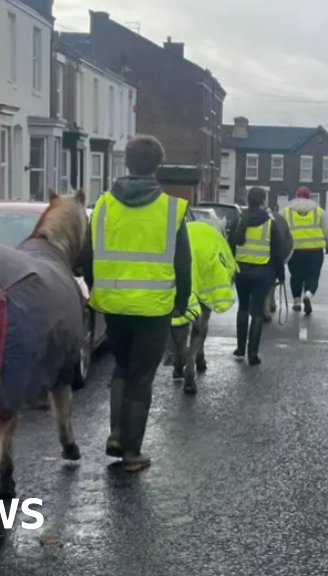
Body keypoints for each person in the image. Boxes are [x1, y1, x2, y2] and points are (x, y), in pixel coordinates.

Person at [84, 135, 191, 473]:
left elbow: (87, 255)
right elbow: (182, 263)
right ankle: (132, 452)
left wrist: (96, 288)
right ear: (158, 165)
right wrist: (181, 301)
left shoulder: (103, 205)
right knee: (142, 377)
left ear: (126, 163)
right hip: (154, 307)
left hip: (113, 304)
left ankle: (117, 434)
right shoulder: (171, 209)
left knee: (121, 366)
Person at [169, 219, 238, 394]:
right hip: (206, 283)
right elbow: (230, 264)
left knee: (182, 322)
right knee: (201, 325)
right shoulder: (216, 238)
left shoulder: (183, 233)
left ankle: (179, 362)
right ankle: (193, 361)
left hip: (184, 282)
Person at [232, 187, 289, 365]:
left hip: (242, 271)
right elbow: (278, 252)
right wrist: (281, 275)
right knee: (256, 312)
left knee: (242, 307)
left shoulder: (239, 220)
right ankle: (253, 354)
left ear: (248, 200)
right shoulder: (270, 223)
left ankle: (240, 348)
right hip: (262, 273)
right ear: (263, 201)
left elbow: (230, 244)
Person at [282, 187, 328, 314]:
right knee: (313, 276)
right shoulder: (319, 211)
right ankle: (308, 295)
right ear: (310, 197)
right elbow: (327, 232)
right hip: (314, 250)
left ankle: (297, 301)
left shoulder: (286, 211)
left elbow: (280, 231)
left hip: (294, 250)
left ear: (296, 196)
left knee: (296, 276)